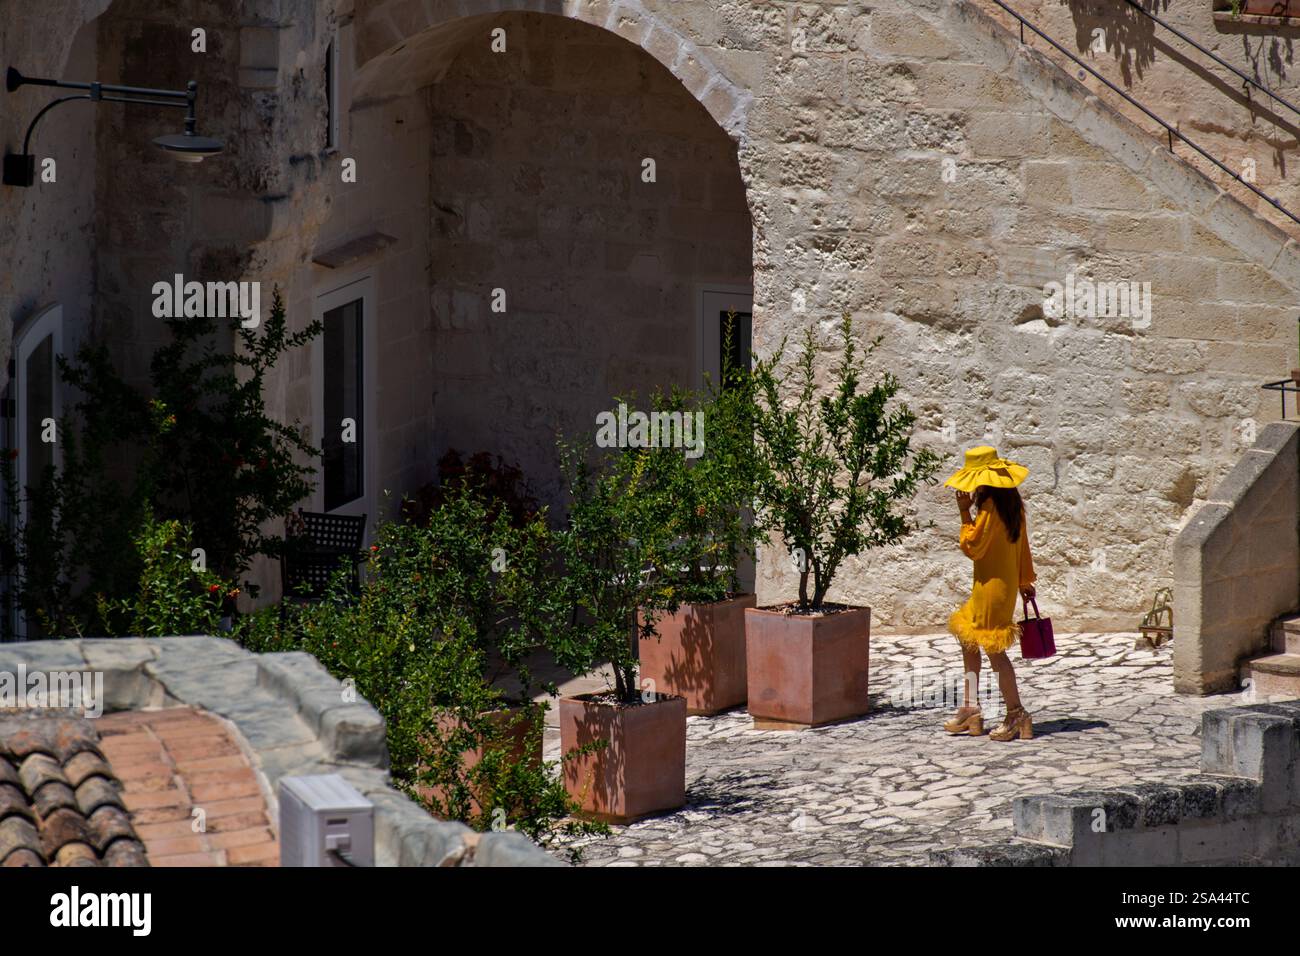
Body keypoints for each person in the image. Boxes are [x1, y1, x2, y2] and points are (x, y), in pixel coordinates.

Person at [942, 447, 1036, 742]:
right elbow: (1023, 549)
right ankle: (971, 708)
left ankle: (1017, 713)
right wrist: (1024, 581)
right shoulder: (1014, 506)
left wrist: (963, 511)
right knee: (969, 641)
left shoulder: (989, 508)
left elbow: (973, 547)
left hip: (990, 590)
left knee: (995, 653)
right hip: (997, 587)